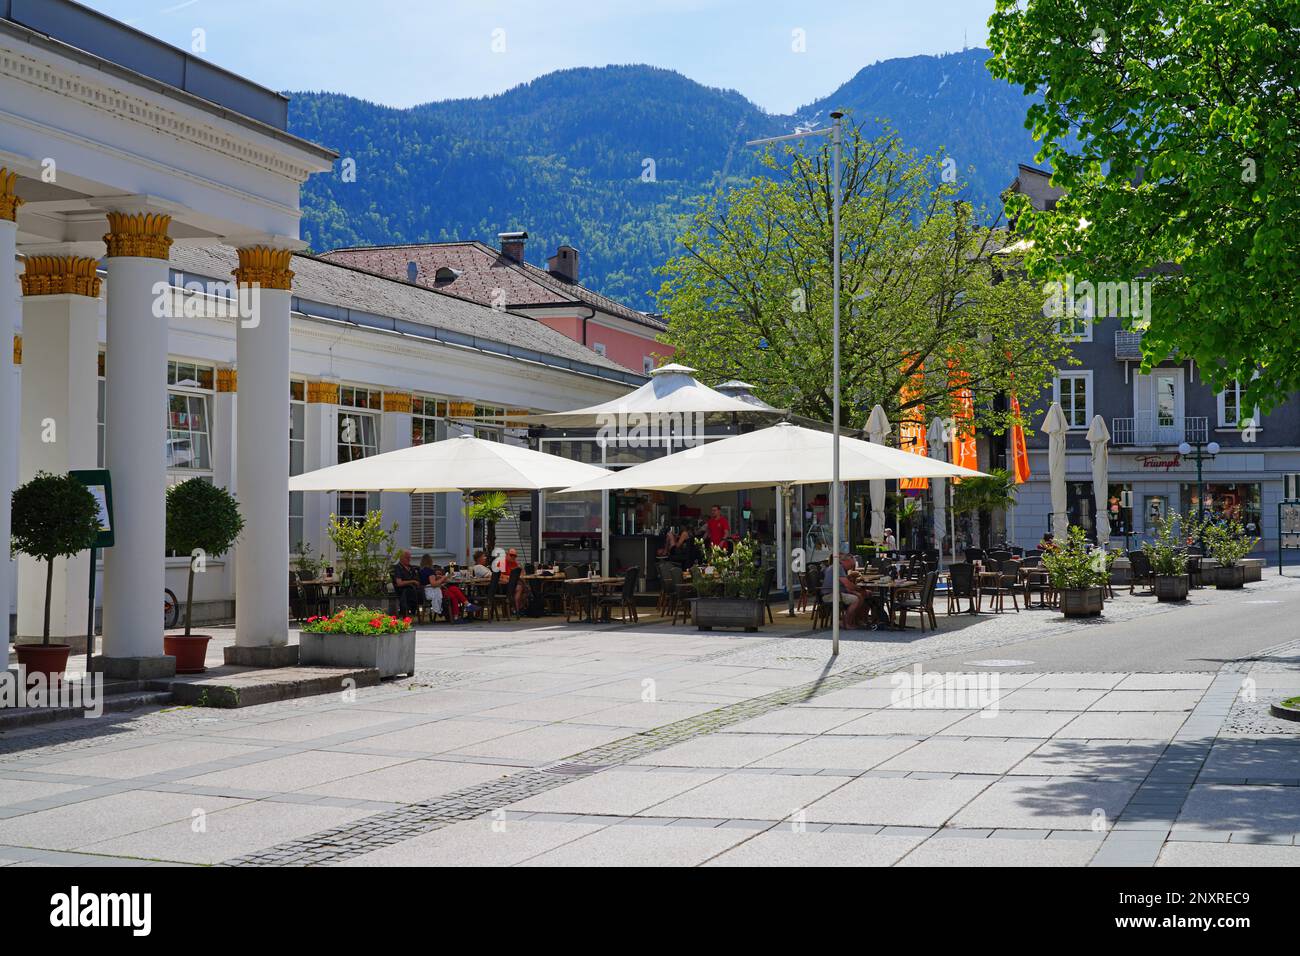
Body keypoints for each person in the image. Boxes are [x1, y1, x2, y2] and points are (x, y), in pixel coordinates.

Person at [822, 553, 870, 628]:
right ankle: (846, 622)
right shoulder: (838, 567)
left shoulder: (837, 567)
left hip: (834, 593)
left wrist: (856, 590)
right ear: (846, 561)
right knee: (856, 599)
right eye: (851, 565)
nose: (851, 567)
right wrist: (858, 589)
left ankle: (856, 620)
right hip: (831, 595)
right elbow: (847, 585)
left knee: (861, 595)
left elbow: (845, 586)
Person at [390, 550, 422, 616]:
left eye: (409, 558)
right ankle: (409, 611)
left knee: (422, 591)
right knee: (410, 592)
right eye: (407, 558)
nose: (409, 559)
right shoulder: (398, 568)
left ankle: (413, 611)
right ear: (401, 558)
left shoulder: (412, 568)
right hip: (402, 590)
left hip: (414, 589)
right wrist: (412, 581)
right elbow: (399, 583)